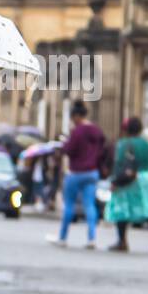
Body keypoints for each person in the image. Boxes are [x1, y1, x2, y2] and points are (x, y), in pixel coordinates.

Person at [105, 117, 148, 253]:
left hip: (132, 178)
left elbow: (119, 164)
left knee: (122, 208)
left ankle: (122, 241)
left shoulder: (123, 144)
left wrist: (115, 181)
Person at [48, 101, 105, 249]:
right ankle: (91, 238)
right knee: (89, 205)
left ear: (77, 116)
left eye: (72, 117)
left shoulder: (77, 131)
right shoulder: (97, 131)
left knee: (69, 205)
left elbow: (69, 150)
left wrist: (65, 144)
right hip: (92, 172)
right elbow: (102, 149)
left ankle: (62, 237)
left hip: (76, 172)